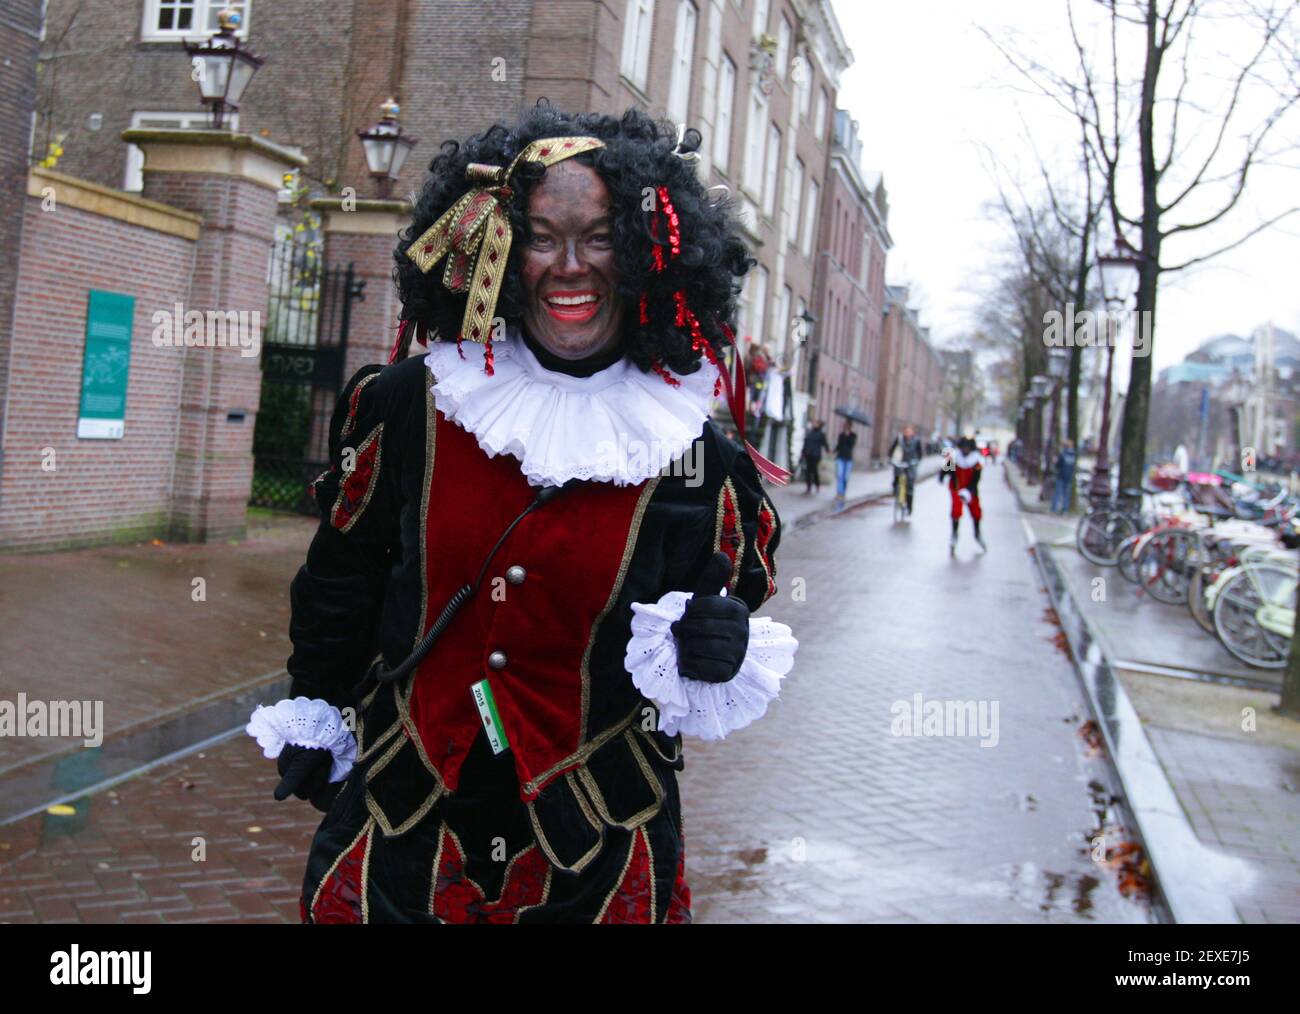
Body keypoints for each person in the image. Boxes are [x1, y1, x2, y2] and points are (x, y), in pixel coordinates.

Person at [257, 105, 797, 924]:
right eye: (541, 236)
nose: (570, 266)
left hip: (596, 851)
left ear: (652, 254)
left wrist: (710, 645)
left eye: (603, 237)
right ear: (494, 249)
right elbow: (345, 576)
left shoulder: (692, 453)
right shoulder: (412, 405)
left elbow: (714, 605)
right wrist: (316, 702)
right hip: (408, 827)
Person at [944, 435, 986, 553]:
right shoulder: (954, 456)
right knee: (956, 510)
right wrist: (943, 473)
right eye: (963, 447)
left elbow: (977, 479)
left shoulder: (977, 460)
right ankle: (954, 535)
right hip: (956, 488)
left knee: (976, 511)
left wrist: (969, 490)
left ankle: (977, 533)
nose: (965, 450)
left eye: (967, 447)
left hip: (971, 489)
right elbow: (947, 471)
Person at [888, 424, 923, 515]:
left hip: (911, 464)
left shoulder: (916, 441)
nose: (907, 433)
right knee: (896, 478)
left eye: (909, 431)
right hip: (900, 462)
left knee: (909, 485)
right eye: (906, 431)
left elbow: (919, 454)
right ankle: (896, 492)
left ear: (912, 432)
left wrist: (916, 461)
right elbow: (892, 450)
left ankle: (909, 507)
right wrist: (891, 459)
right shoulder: (899, 439)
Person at [1051, 438, 1077, 514]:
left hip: (1061, 476)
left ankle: (1054, 509)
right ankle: (1065, 510)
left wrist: (1055, 461)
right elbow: (1073, 466)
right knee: (1066, 494)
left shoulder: (1063, 454)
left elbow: (1058, 464)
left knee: (1057, 493)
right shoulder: (1074, 454)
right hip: (1069, 476)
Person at [802, 420, 828, 493]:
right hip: (808, 454)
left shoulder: (821, 434)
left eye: (816, 423)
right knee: (808, 471)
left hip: (816, 455)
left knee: (814, 470)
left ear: (819, 425)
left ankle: (817, 485)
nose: (814, 424)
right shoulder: (810, 433)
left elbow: (825, 443)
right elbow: (806, 442)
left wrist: (828, 451)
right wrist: (803, 451)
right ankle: (808, 487)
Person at [833, 421, 857, 502]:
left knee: (845, 477)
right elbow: (839, 445)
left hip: (848, 458)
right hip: (840, 457)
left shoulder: (853, 435)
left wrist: (848, 435)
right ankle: (839, 493)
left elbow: (852, 444)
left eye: (846, 425)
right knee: (840, 475)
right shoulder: (841, 435)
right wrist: (833, 451)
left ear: (850, 426)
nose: (845, 427)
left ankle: (843, 493)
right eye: (844, 425)